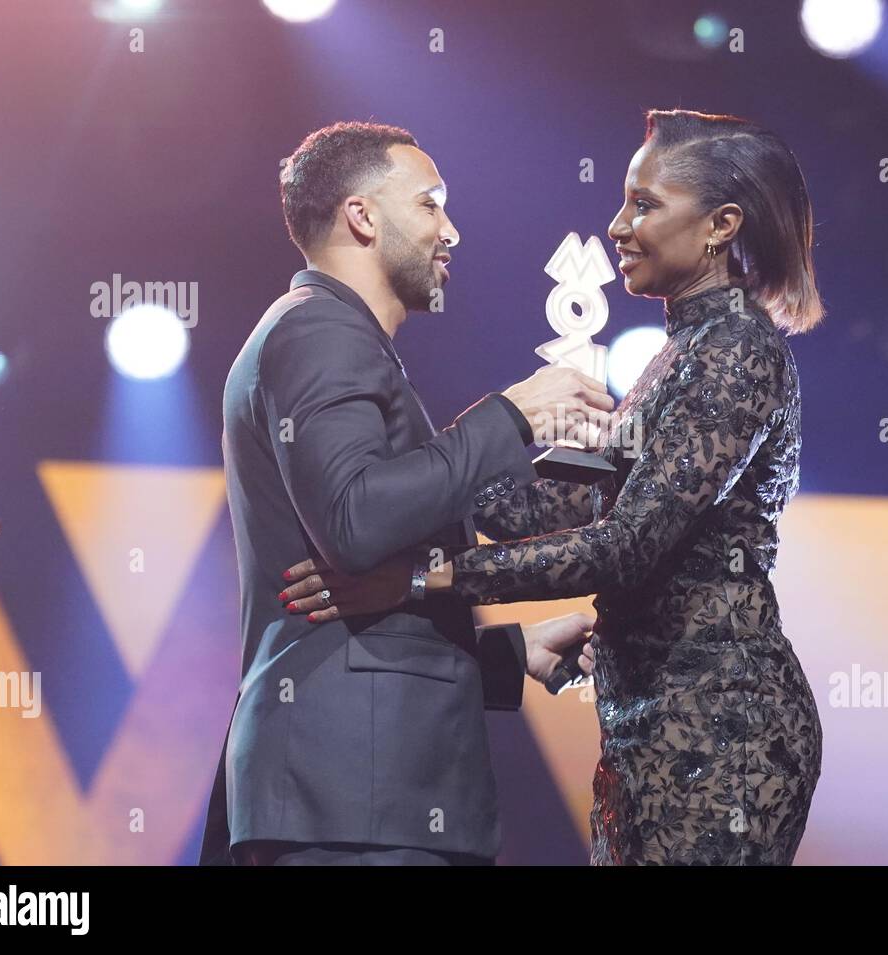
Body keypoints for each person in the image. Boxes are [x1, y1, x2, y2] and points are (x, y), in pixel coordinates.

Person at [281, 109, 827, 865]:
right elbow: (550, 508)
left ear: (721, 226)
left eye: (645, 204)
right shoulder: (679, 354)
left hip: (722, 725)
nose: (617, 225)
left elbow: (622, 547)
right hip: (648, 717)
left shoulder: (736, 349)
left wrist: (418, 580)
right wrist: (408, 478)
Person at [198, 120, 611, 866]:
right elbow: (355, 522)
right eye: (430, 204)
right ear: (362, 215)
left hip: (360, 797)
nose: (450, 230)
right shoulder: (320, 331)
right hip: (354, 802)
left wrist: (507, 652)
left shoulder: (331, 337)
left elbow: (366, 601)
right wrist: (512, 413)